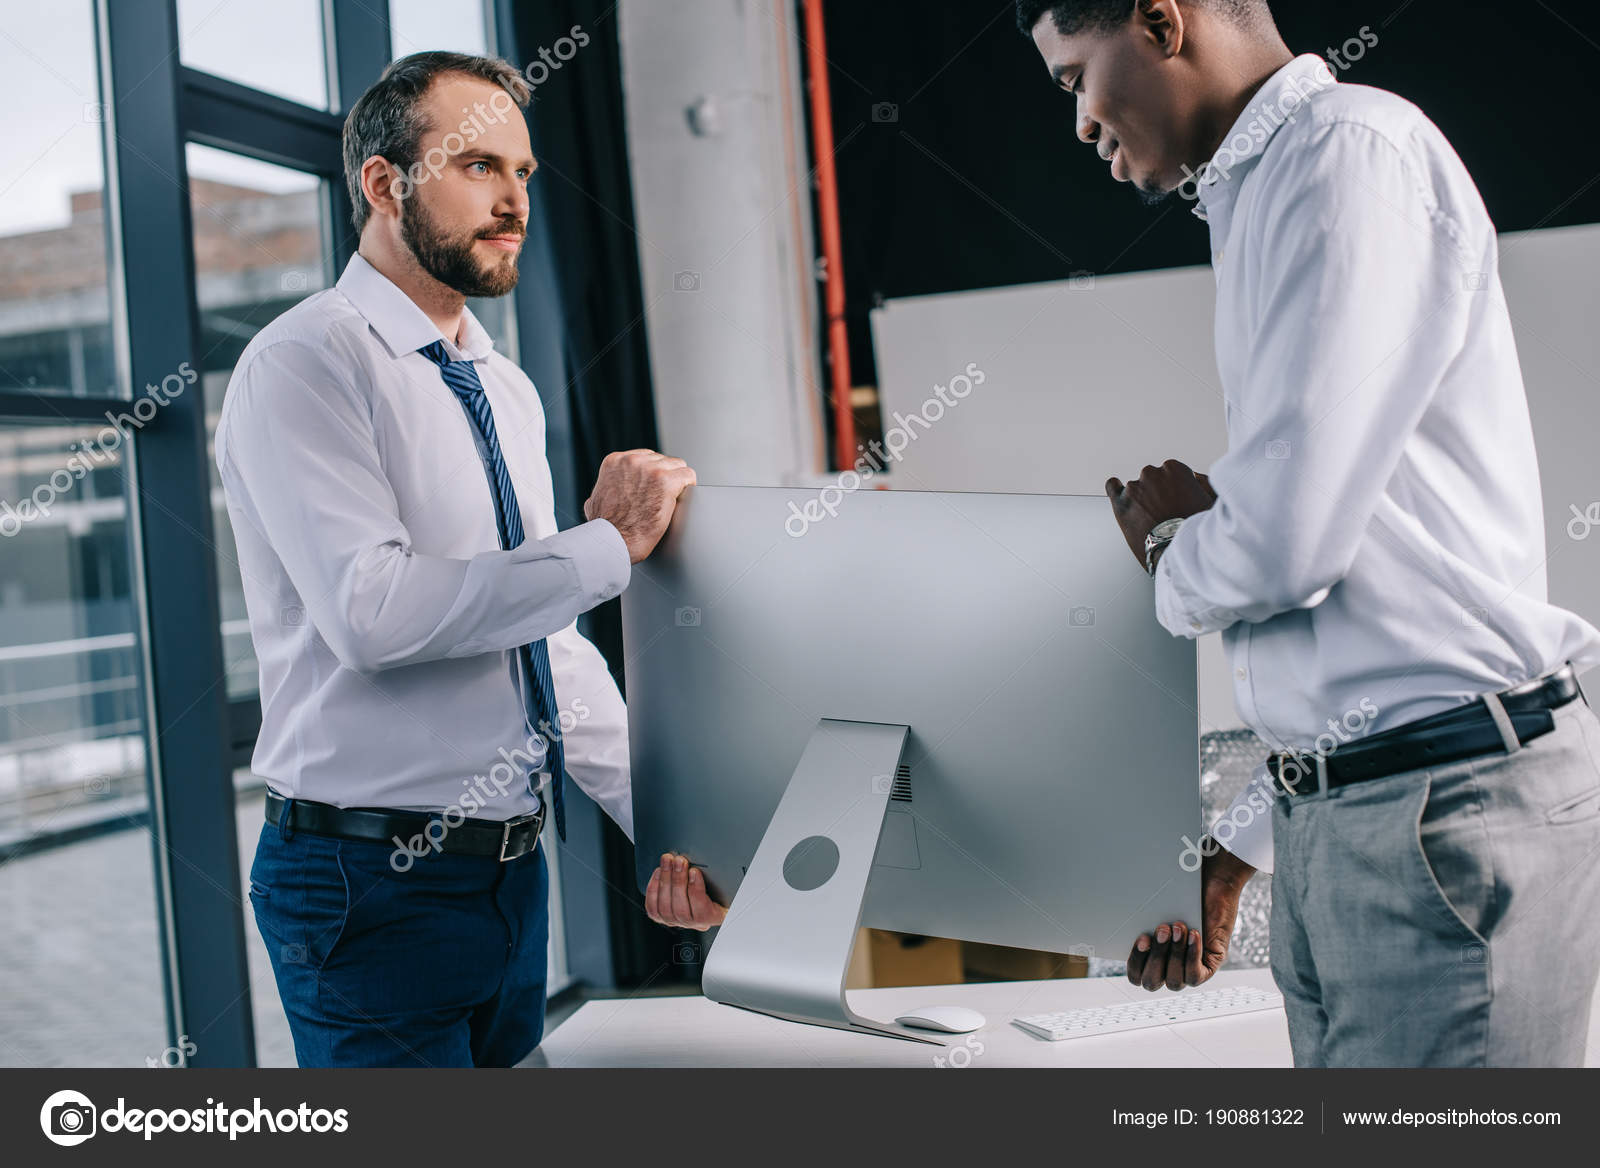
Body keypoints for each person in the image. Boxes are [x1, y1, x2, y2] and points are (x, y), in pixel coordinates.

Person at [1019, 0, 1600, 1065]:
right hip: (1361, 816)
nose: (1080, 123)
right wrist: (1240, 847)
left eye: (1073, 79)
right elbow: (1355, 613)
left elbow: (1287, 549)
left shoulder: (1343, 158)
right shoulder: (1268, 190)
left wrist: (1165, 551)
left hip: (1440, 819)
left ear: (1159, 22)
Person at [217, 52, 722, 1068]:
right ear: (382, 183)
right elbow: (374, 616)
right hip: (364, 882)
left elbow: (550, 644)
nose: (512, 199)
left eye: (524, 173)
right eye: (478, 165)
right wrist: (606, 546)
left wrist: (671, 828)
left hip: (507, 872)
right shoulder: (307, 361)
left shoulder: (504, 386)